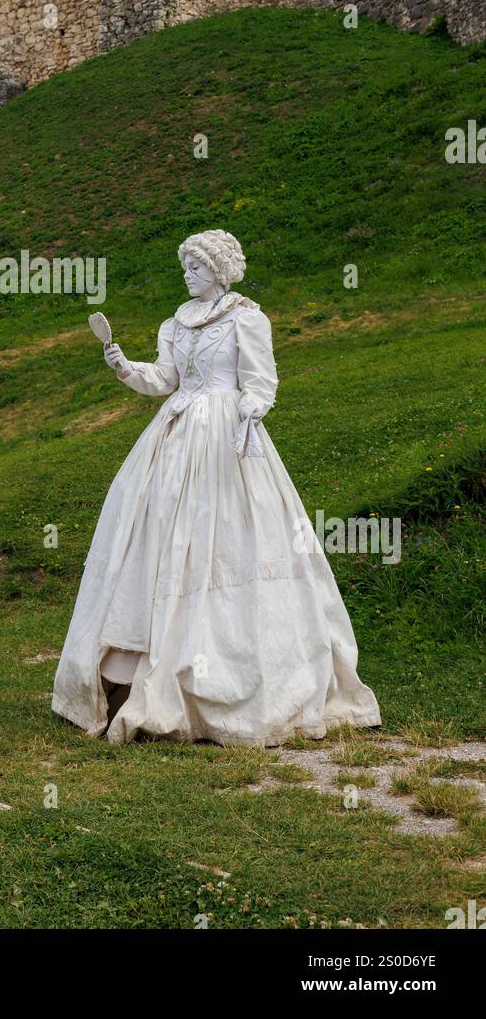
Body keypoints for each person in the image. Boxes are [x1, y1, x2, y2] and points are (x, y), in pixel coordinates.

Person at [51, 230, 381, 747]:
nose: (188, 275)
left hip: (228, 439)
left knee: (230, 529)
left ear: (220, 273)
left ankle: (237, 673)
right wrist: (126, 367)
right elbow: (165, 380)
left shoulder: (245, 317)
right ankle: (135, 670)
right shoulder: (174, 322)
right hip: (176, 435)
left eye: (197, 268)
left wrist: (253, 407)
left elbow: (260, 380)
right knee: (155, 527)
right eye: (185, 267)